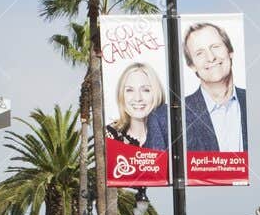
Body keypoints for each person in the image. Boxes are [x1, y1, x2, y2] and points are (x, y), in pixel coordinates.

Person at [183, 21, 248, 156]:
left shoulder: (255, 103)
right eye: (200, 53)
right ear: (192, 65)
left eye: (216, 47)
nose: (211, 57)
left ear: (230, 51)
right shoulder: (174, 117)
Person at [106, 61, 168, 151]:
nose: (138, 98)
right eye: (130, 90)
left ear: (156, 93)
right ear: (121, 94)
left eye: (145, 90)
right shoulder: (109, 135)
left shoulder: (171, 133)